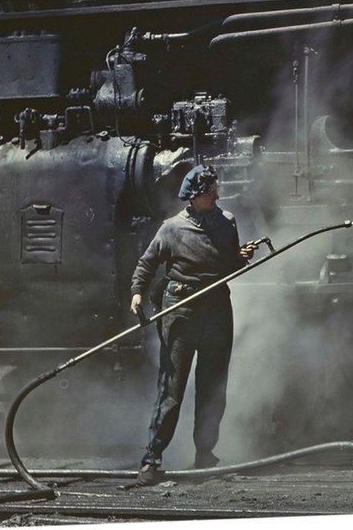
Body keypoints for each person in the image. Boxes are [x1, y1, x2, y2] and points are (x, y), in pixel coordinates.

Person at [129, 164, 258, 484]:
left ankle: (205, 456)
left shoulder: (227, 223)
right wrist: (137, 293)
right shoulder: (171, 229)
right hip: (181, 313)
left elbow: (228, 264)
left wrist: (241, 256)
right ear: (192, 196)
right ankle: (151, 458)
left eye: (216, 190)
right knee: (171, 389)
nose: (216, 196)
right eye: (208, 192)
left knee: (213, 387)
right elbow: (147, 263)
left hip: (217, 312)